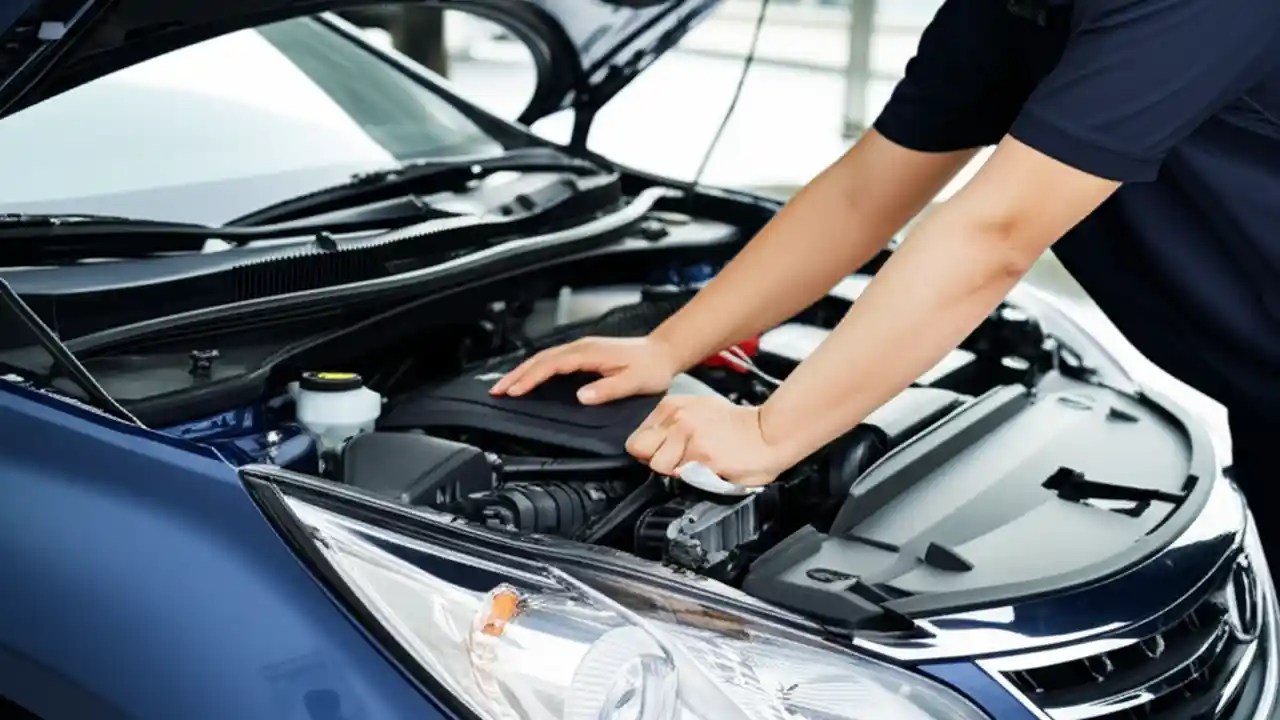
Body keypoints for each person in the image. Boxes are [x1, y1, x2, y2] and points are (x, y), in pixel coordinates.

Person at [492, 0, 1280, 557]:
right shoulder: (1014, 12)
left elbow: (994, 231)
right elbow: (867, 189)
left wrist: (773, 432)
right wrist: (670, 346)